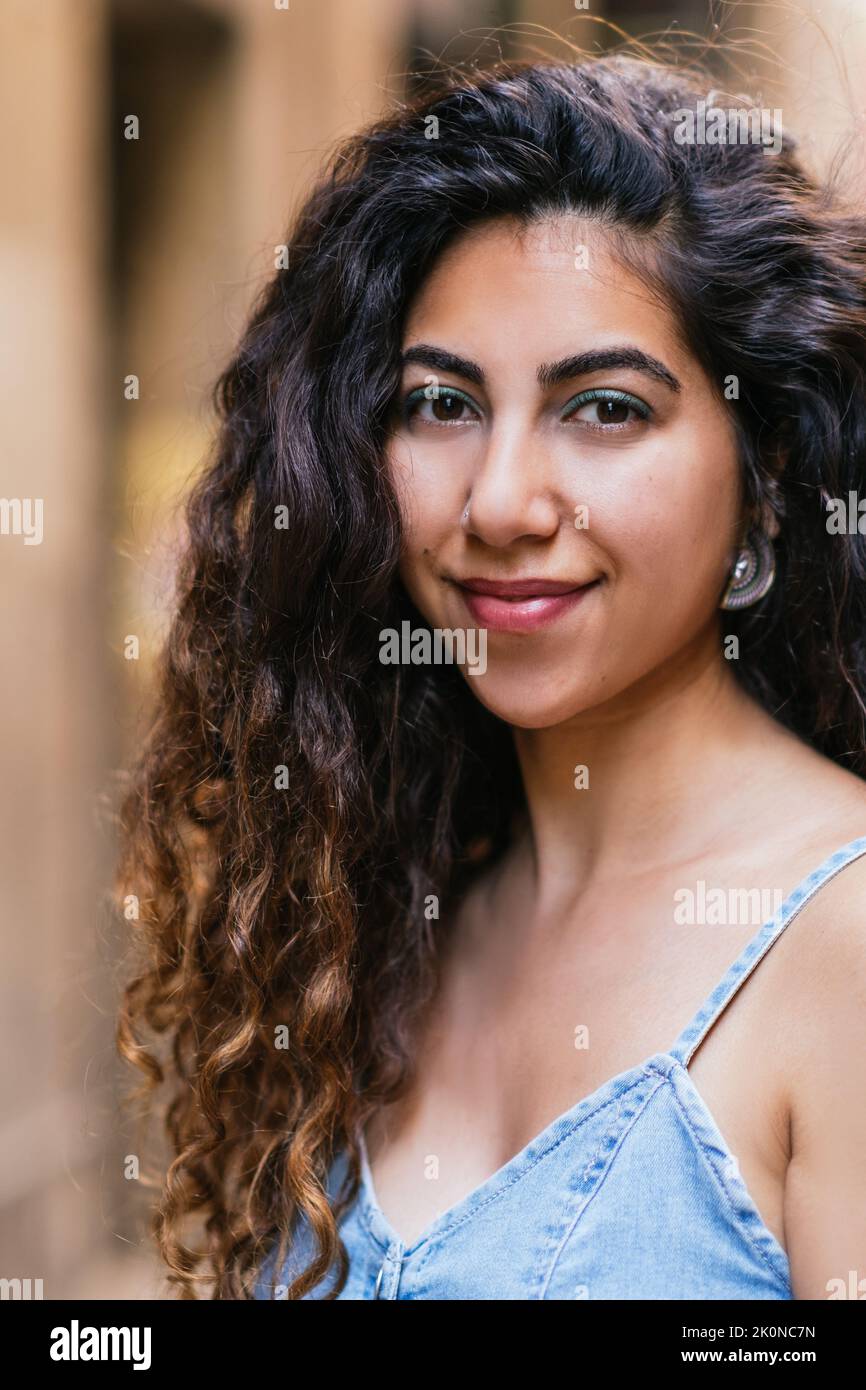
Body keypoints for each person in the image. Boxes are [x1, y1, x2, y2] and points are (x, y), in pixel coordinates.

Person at [116, 50, 866, 1300]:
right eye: (440, 405)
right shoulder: (381, 910)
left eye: (606, 409)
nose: (502, 501)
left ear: (767, 475)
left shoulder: (839, 946)